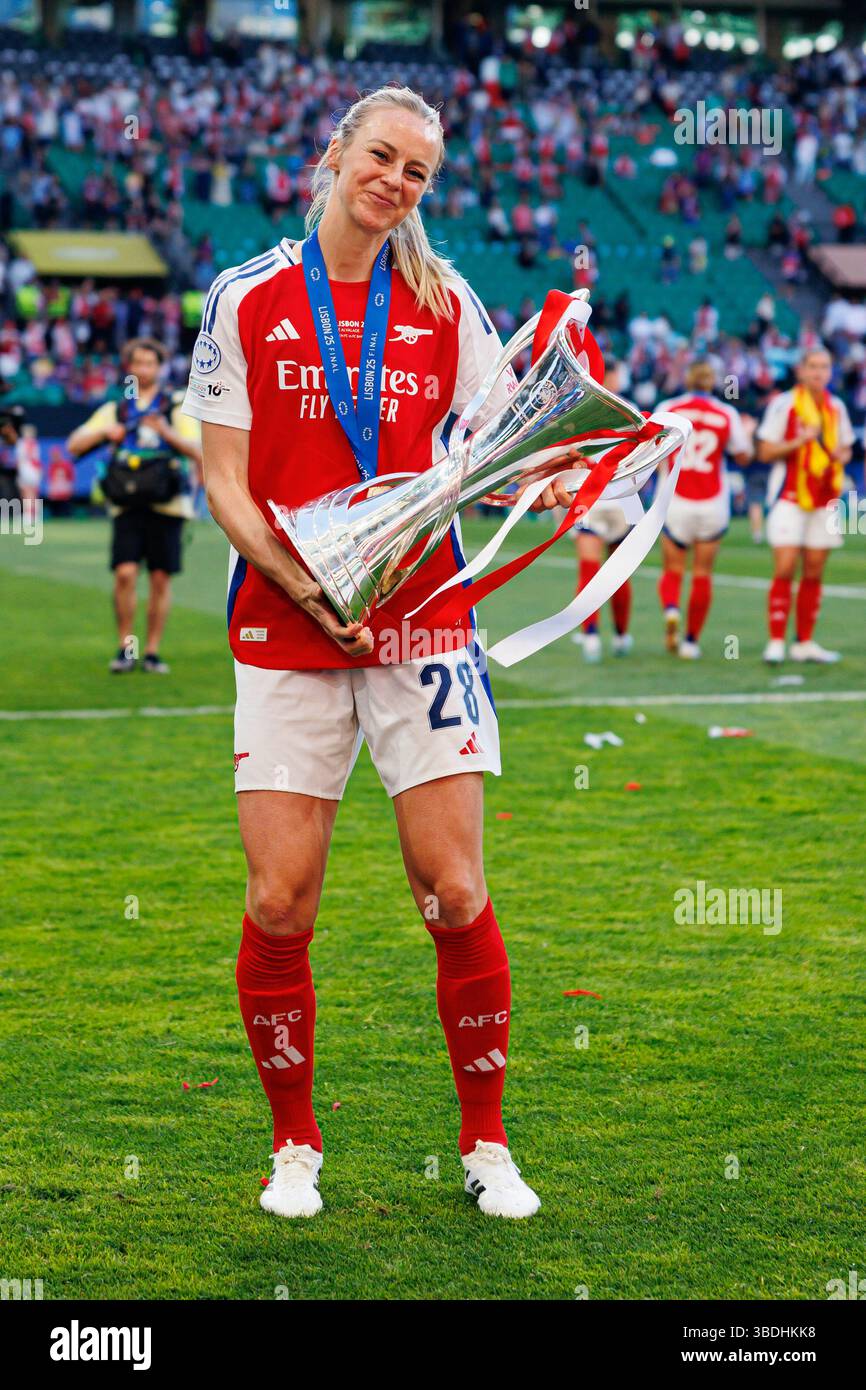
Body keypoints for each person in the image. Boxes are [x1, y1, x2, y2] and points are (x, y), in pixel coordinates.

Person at [183, 86, 585, 1222]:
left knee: (453, 891)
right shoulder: (248, 298)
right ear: (334, 153)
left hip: (422, 621)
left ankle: (486, 1142)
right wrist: (306, 585)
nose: (395, 183)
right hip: (281, 620)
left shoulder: (440, 296)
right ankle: (294, 1145)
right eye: (381, 157)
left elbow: (501, 446)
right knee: (278, 903)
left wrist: (559, 463)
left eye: (417, 172)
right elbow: (223, 478)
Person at [66, 337, 202, 674]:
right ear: (129, 367)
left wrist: (166, 433)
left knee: (160, 578)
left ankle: (152, 650)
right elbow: (74, 445)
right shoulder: (117, 408)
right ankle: (127, 646)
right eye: (137, 363)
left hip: (167, 502)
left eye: (149, 363)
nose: (143, 369)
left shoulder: (175, 405)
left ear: (160, 367)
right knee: (125, 573)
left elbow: (200, 451)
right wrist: (105, 433)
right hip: (126, 502)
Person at [756, 348, 854, 664]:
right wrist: (799, 441)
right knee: (785, 568)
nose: (819, 373)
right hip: (789, 497)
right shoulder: (784, 404)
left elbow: (847, 448)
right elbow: (765, 452)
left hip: (826, 499)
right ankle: (775, 641)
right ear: (801, 370)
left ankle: (804, 642)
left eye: (825, 367)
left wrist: (842, 455)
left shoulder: (836, 406)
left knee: (814, 571)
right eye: (813, 366)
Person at [656, 361, 751, 658]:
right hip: (712, 501)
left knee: (673, 568)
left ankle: (672, 609)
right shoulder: (727, 413)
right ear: (713, 382)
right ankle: (691, 642)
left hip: (676, 499)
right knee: (702, 573)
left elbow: (651, 446)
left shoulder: (669, 407)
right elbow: (744, 455)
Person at [571, 360, 635, 662]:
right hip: (624, 499)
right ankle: (622, 636)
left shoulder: (585, 408)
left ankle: (592, 636)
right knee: (618, 574)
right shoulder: (630, 411)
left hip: (593, 498)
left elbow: (571, 455)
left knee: (589, 569)